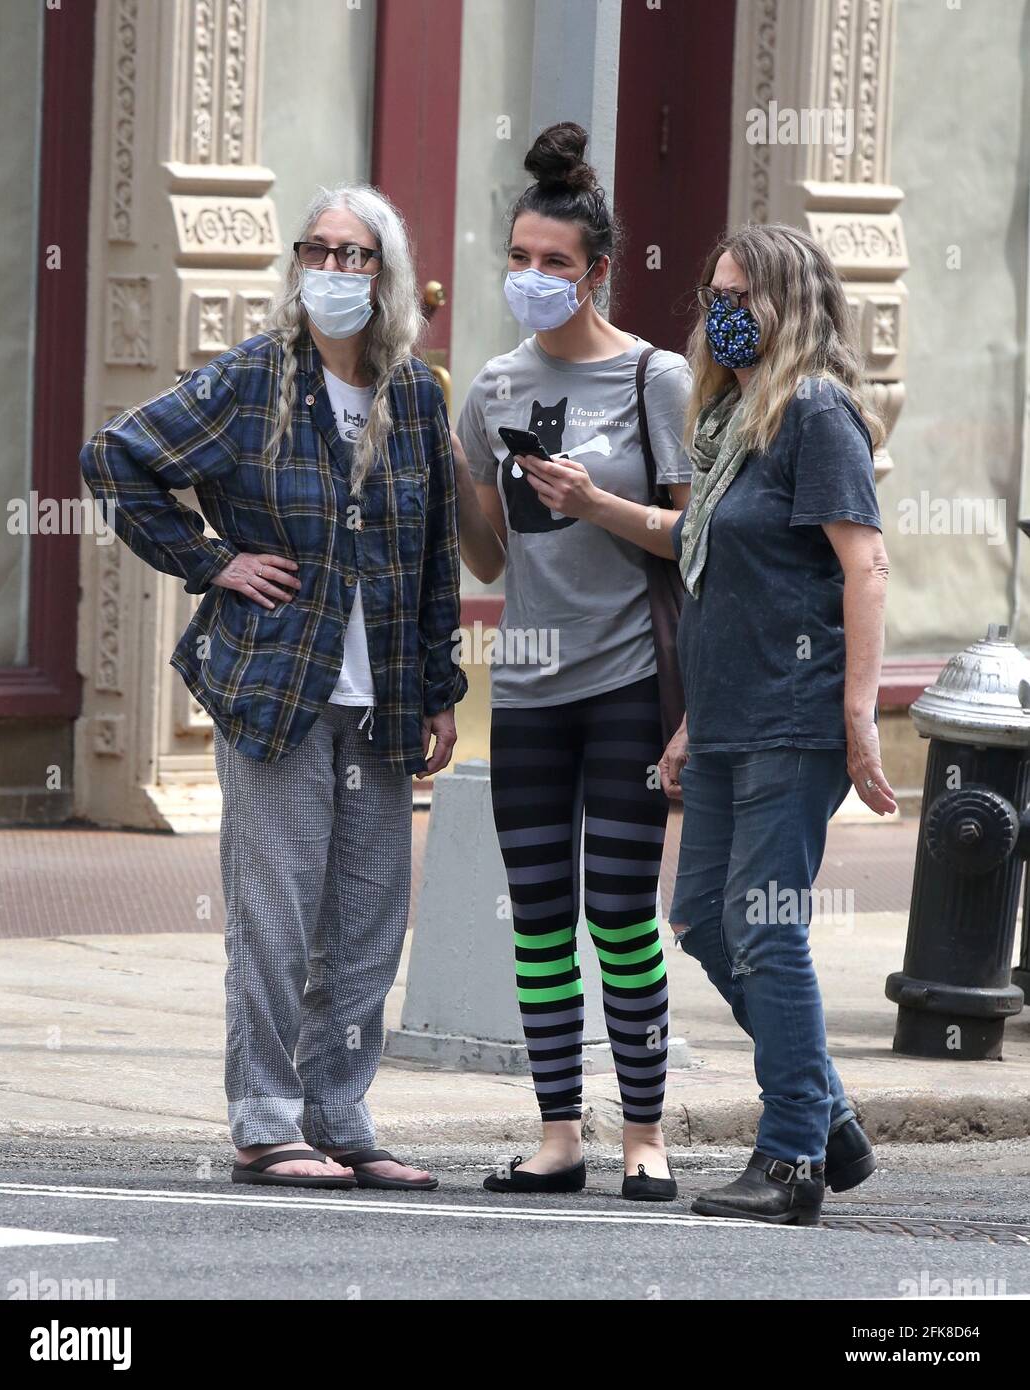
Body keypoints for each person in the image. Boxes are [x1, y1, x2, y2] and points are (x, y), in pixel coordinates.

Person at [80, 184, 466, 1191]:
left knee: (371, 918)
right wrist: (214, 562)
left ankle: (342, 1114)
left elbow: (433, 557)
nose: (334, 271)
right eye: (318, 250)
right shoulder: (254, 380)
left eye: (355, 255)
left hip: (378, 701)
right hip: (274, 692)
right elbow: (114, 457)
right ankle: (264, 1118)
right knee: (277, 915)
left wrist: (438, 687)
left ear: (385, 276)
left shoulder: (416, 394)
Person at [454, 122, 692, 1201]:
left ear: (597, 272)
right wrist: (461, 487)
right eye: (518, 258)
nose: (532, 278)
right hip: (531, 686)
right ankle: (559, 1132)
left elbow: (698, 540)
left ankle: (644, 1132)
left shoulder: (659, 379)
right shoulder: (493, 387)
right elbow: (489, 553)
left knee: (622, 916)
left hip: (632, 684)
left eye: (555, 263)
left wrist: (601, 503)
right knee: (540, 913)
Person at [659, 223, 894, 1225]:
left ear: (792, 305)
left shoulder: (817, 411)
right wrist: (686, 724)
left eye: (743, 295)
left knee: (765, 928)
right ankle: (828, 1112)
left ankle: (794, 1153)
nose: (723, 311)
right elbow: (724, 586)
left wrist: (858, 713)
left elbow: (866, 565)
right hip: (724, 719)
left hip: (792, 719)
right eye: (715, 291)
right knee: (704, 919)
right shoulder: (730, 427)